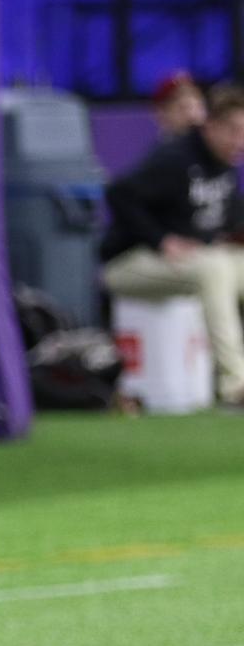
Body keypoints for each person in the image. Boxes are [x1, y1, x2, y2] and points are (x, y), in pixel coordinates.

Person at [100, 81, 244, 405]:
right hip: (127, 263)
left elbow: (227, 222)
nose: (240, 141)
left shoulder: (225, 168)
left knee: (227, 264)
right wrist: (161, 239)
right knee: (215, 269)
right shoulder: (176, 158)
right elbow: (118, 192)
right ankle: (235, 386)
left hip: (185, 264)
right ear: (210, 126)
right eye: (233, 130)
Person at [151, 70, 206, 140]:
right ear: (160, 111)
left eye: (194, 95)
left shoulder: (217, 147)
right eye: (176, 98)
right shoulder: (163, 150)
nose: (190, 111)